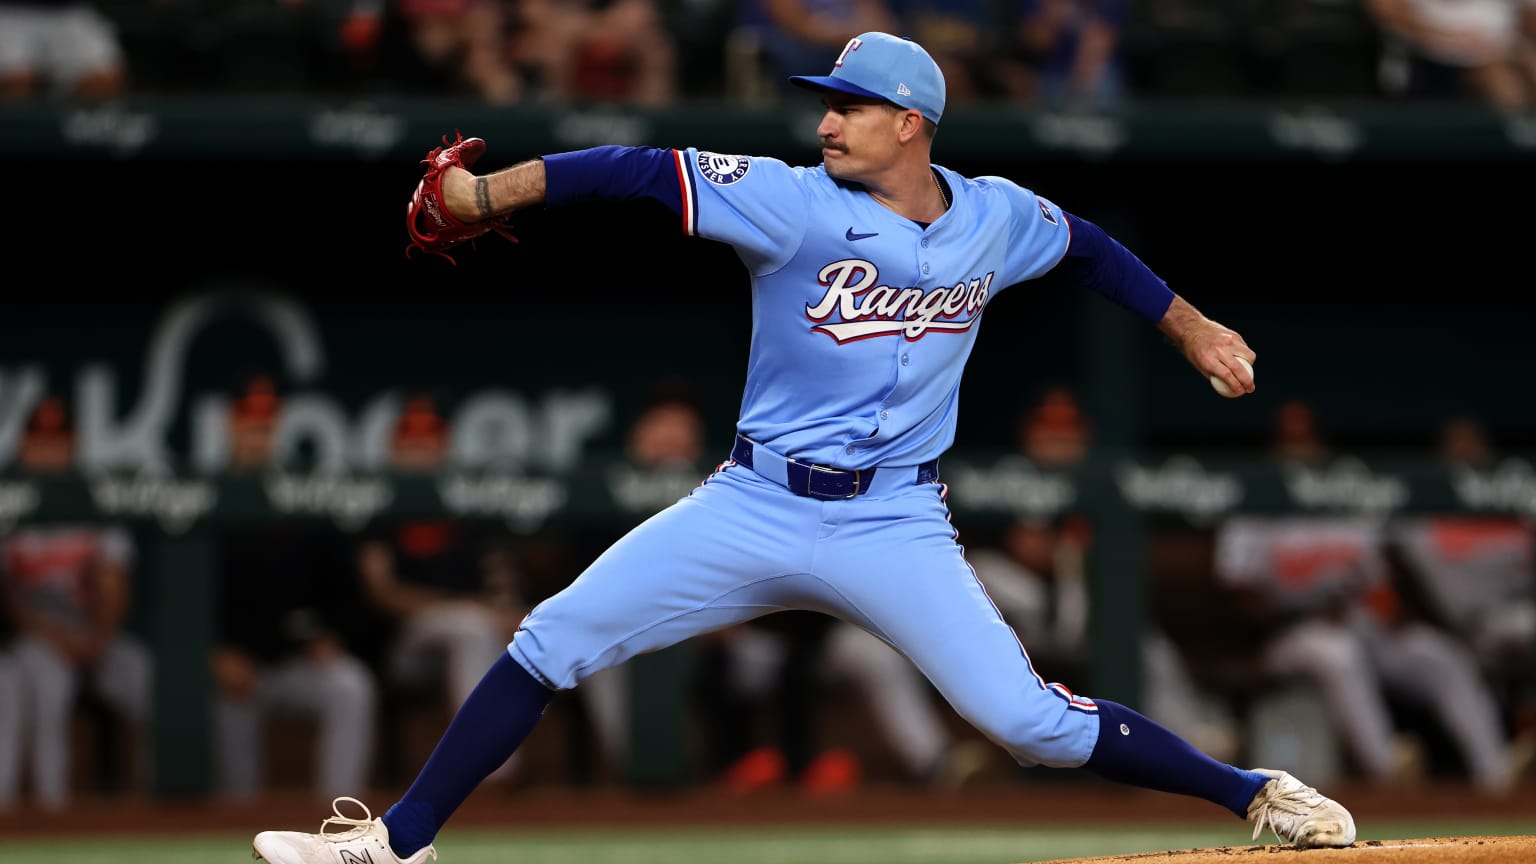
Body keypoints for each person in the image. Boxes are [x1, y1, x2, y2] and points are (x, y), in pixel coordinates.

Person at [252, 31, 1354, 864]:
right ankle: (396, 843)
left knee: (1026, 723)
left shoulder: (996, 216)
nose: (826, 123)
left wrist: (1192, 325)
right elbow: (637, 170)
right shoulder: (789, 201)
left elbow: (1091, 249)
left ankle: (1257, 792)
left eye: (852, 108)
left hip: (893, 519)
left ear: (913, 122)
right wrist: (492, 192)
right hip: (756, 502)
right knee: (553, 637)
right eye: (825, 105)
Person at [0, 395, 154, 811]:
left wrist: (97, 637)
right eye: (39, 438)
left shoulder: (94, 498)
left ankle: (162, 814)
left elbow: (115, 582)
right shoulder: (7, 499)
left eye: (58, 439)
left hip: (94, 637)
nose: (48, 449)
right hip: (34, 639)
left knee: (150, 681)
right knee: (46, 686)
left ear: (73, 444)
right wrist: (56, 638)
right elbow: (7, 600)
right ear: (23, 444)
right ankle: (51, 818)